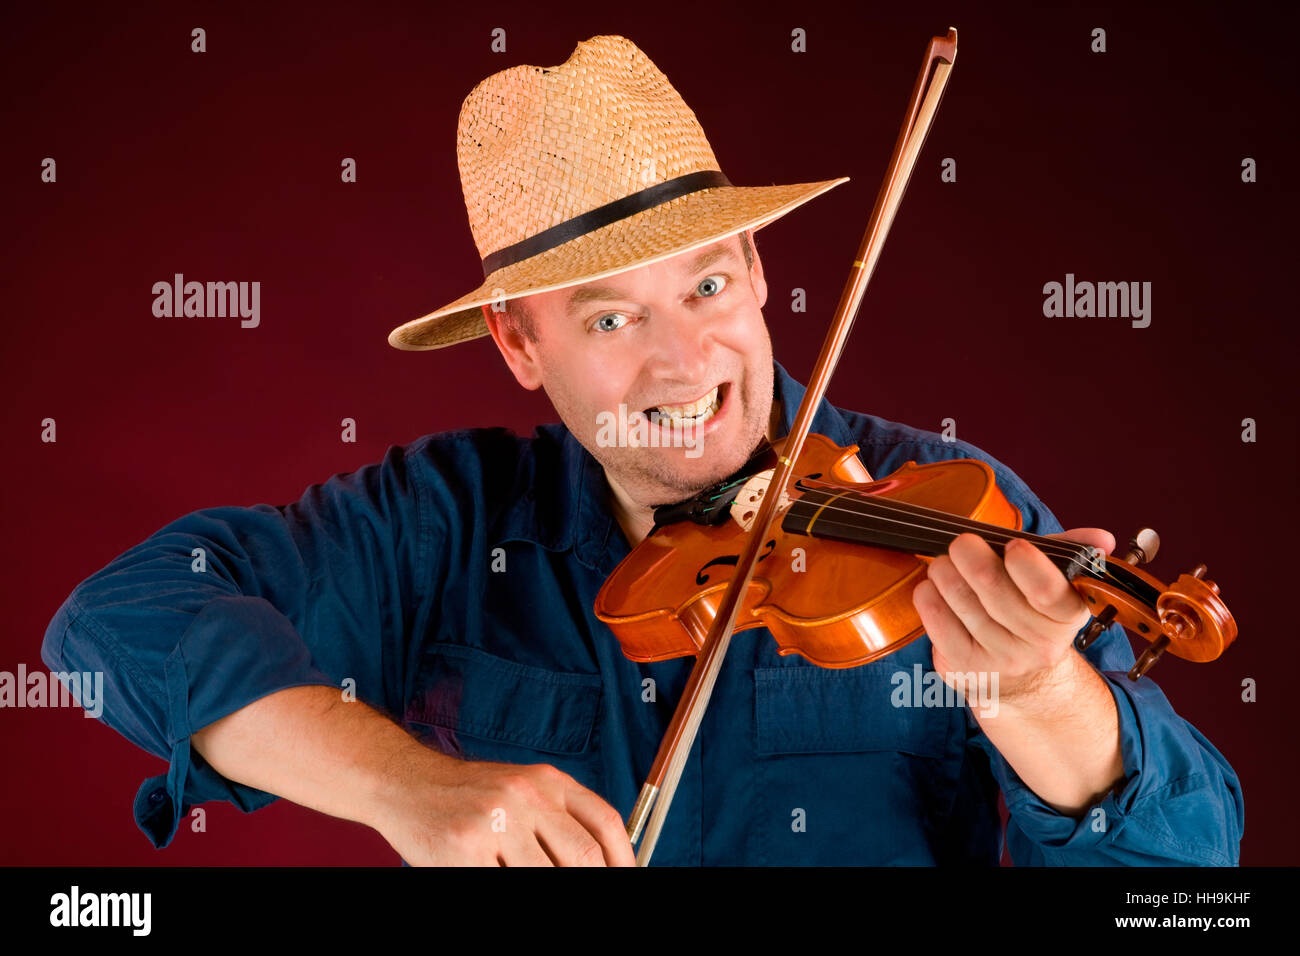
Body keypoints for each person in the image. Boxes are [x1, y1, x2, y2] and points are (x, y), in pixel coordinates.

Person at [42, 34, 1242, 866]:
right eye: (611, 317)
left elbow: (1187, 879)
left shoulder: (940, 502)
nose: (684, 361)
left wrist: (1041, 696)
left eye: (709, 284)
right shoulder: (448, 522)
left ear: (762, 272)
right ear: (518, 341)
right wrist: (408, 786)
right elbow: (118, 619)